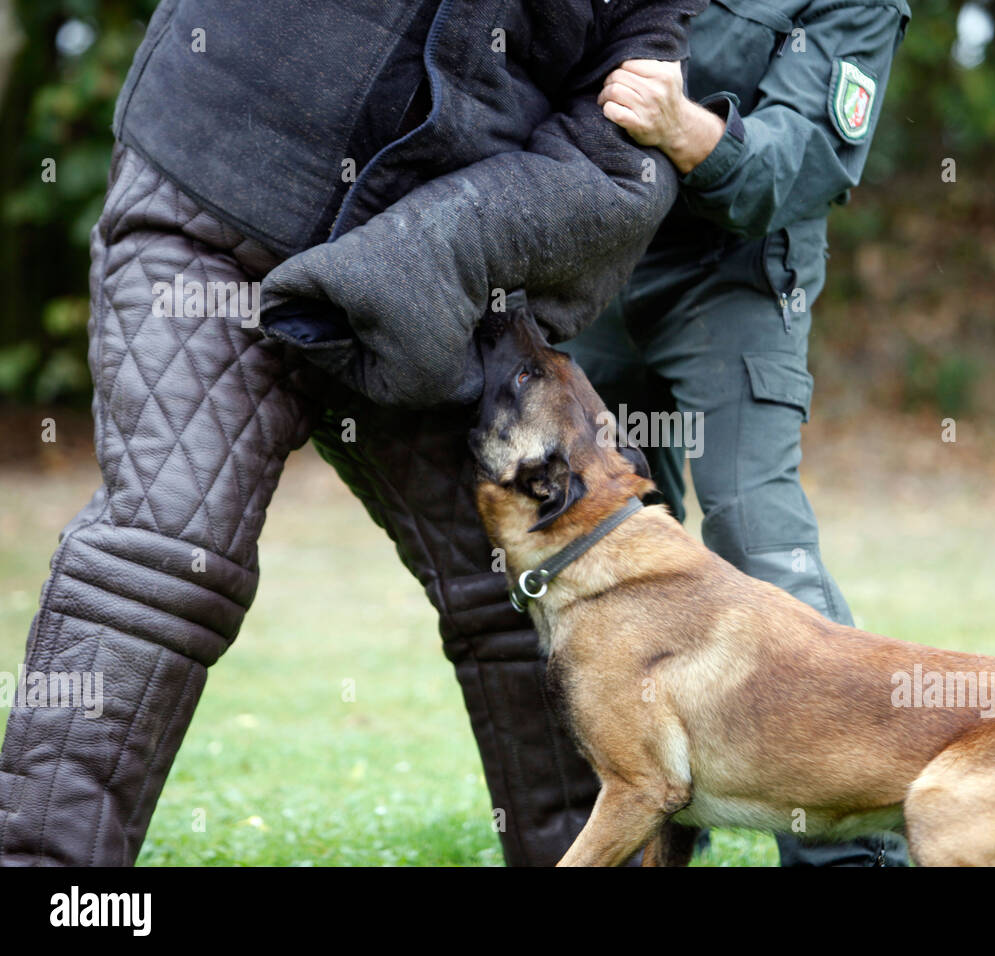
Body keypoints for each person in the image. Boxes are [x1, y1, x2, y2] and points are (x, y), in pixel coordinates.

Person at [0, 0, 706, 867]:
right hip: (210, 206)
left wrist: (425, 253)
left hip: (430, 276)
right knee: (162, 561)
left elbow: (622, 160)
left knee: (547, 572)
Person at [561, 0, 912, 865]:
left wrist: (686, 128)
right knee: (580, 548)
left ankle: (849, 856)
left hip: (736, 273)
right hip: (597, 252)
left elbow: (803, 160)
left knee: (760, 538)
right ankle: (636, 828)